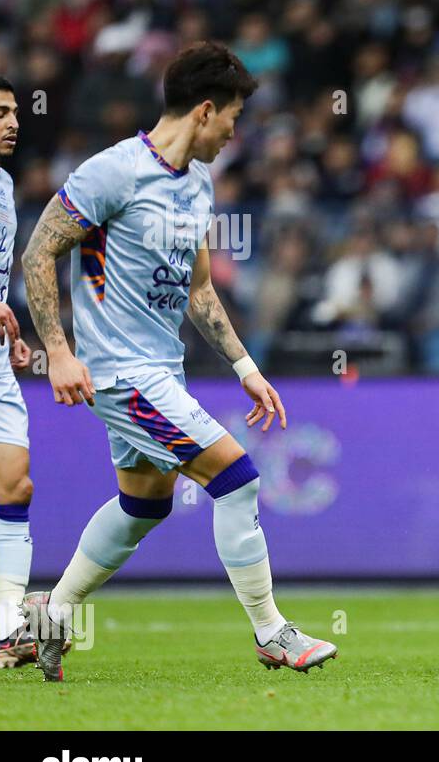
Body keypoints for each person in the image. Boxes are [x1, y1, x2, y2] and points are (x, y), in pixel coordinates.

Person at [18, 42, 336, 682]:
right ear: (205, 110)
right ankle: (272, 633)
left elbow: (197, 289)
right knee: (239, 478)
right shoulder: (111, 173)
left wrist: (245, 366)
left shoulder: (197, 183)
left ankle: (54, 611)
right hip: (120, 373)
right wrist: (58, 351)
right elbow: (38, 252)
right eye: (234, 118)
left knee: (144, 505)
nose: (233, 132)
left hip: (161, 369)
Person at [0, 73, 40, 668]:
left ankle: (9, 631)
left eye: (14, 112)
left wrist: (10, 328)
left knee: (15, 485)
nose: (13, 122)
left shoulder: (3, 186)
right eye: (0, 111)